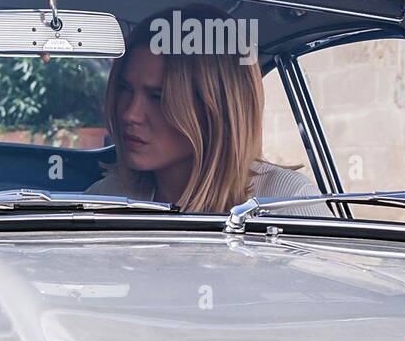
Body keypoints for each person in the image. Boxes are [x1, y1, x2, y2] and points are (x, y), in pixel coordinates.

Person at [87, 11, 323, 213]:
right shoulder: (106, 199)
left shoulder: (285, 202)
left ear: (216, 110)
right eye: (125, 89)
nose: (130, 114)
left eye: (159, 97)